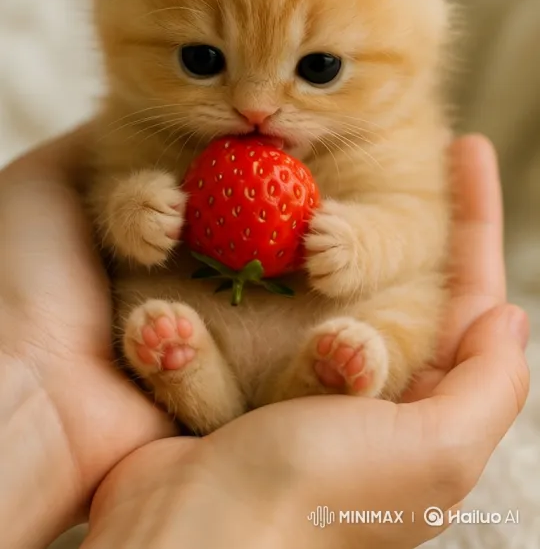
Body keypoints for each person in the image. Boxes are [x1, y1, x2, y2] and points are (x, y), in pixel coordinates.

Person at [0, 131, 529, 549]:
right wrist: (133, 210)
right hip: (198, 314)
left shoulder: (402, 128)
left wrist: (366, 241)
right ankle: (199, 385)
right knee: (148, 303)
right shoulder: (140, 119)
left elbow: (415, 224)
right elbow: (113, 200)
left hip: (319, 317)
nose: (258, 109)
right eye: (203, 60)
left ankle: (306, 386)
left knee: (402, 307)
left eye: (319, 67)